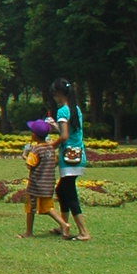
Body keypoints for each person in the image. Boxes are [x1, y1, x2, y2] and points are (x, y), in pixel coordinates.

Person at [50, 79, 91, 242]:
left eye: (54, 94)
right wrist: (56, 127)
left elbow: (64, 136)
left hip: (68, 157)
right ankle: (63, 226)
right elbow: (70, 132)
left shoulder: (62, 111)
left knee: (69, 193)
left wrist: (50, 146)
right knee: (61, 190)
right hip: (78, 155)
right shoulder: (75, 109)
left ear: (59, 94)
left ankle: (84, 231)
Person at [20, 118, 68, 239]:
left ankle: (29, 232)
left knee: (30, 207)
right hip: (48, 183)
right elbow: (55, 162)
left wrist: (25, 156)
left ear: (35, 135)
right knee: (48, 208)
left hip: (35, 184)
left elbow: (30, 164)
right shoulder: (50, 149)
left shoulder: (36, 149)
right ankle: (63, 224)